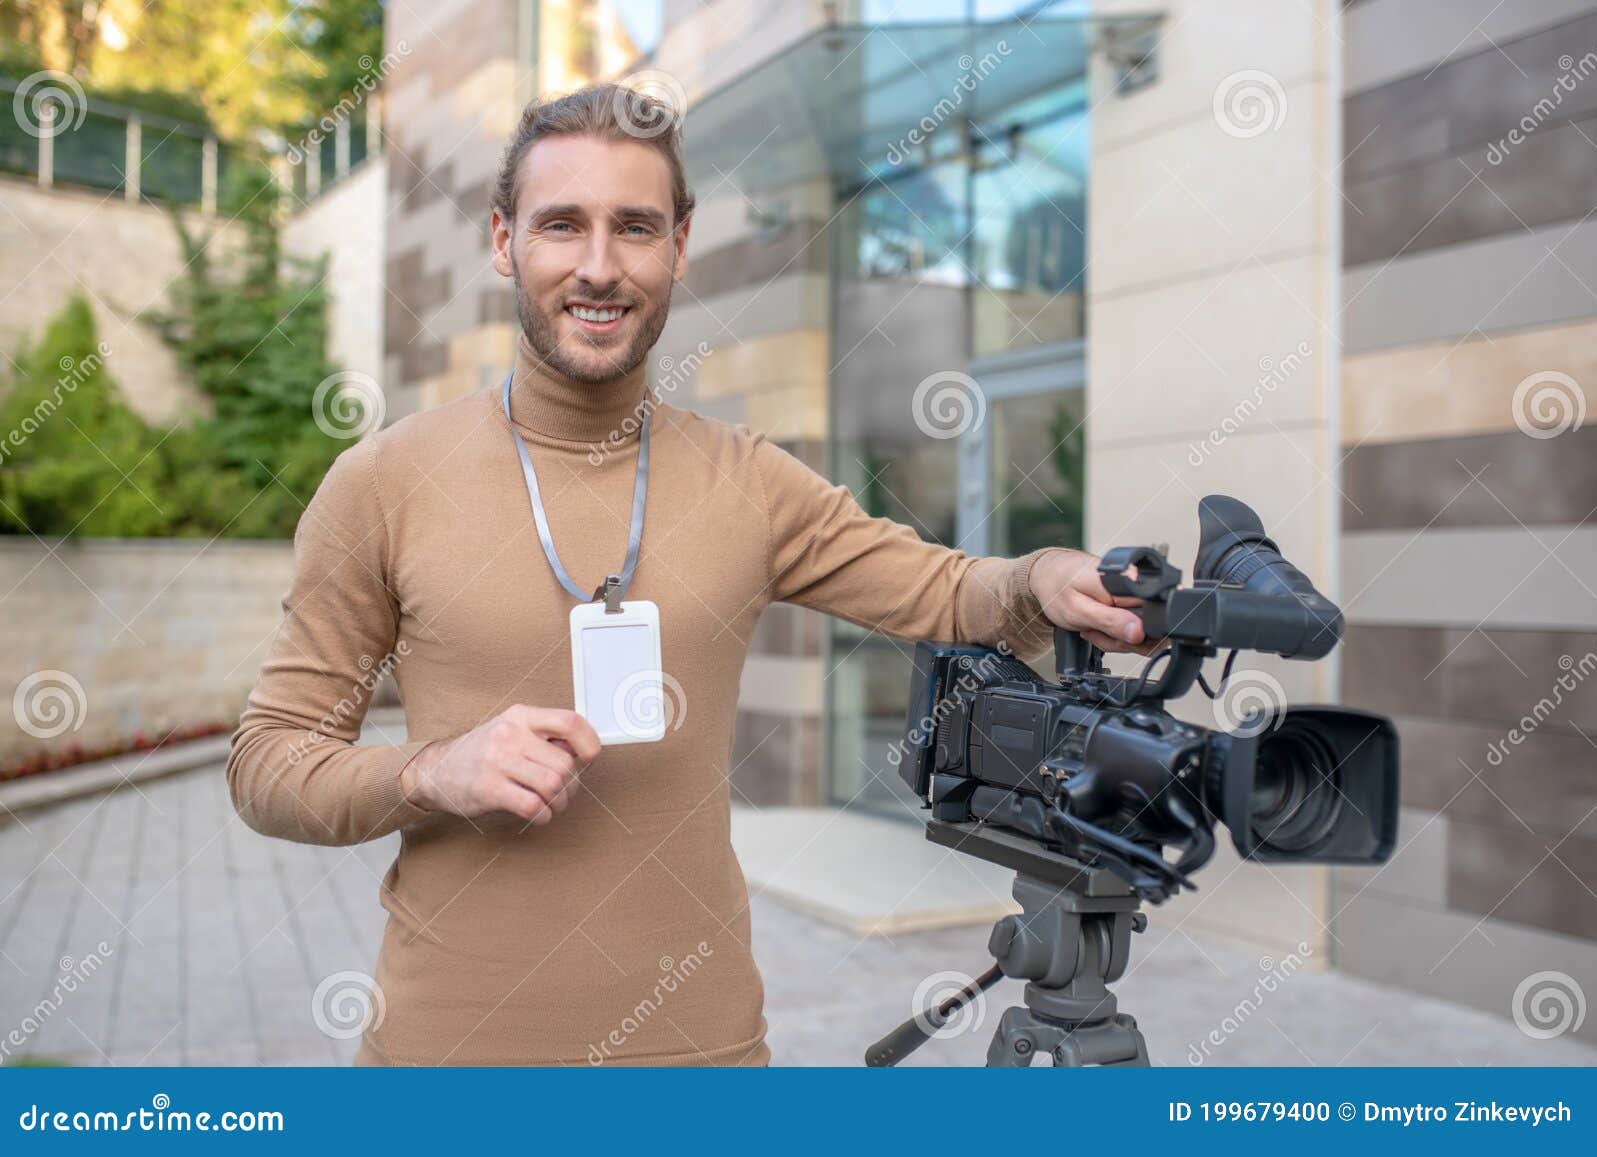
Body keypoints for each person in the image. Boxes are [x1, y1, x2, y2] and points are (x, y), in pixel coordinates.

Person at [226, 83, 1151, 1066]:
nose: (597, 265)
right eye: (560, 225)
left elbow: (953, 590)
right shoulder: (382, 481)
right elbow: (268, 762)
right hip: (444, 1062)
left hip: (701, 1058)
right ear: (503, 240)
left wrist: (1045, 572)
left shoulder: (747, 479)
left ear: (678, 245)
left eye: (633, 227)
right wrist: (428, 770)